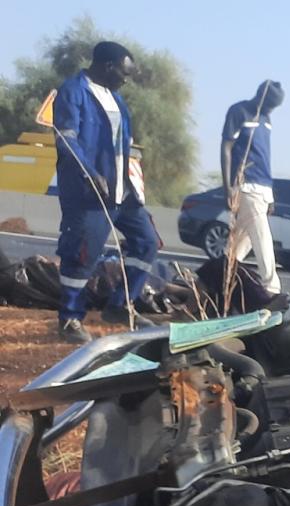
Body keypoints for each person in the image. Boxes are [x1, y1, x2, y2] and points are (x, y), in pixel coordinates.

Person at [50, 41, 160, 343]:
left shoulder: (116, 98)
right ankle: (70, 320)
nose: (126, 80)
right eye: (124, 74)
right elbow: (66, 138)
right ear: (108, 66)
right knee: (82, 254)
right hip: (89, 192)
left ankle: (120, 306)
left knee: (147, 242)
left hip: (123, 191)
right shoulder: (73, 91)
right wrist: (90, 172)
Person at [220, 80, 285, 294]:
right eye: (269, 105)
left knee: (241, 241)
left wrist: (271, 194)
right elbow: (226, 147)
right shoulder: (239, 112)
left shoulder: (267, 119)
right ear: (260, 96)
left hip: (263, 186)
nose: (271, 110)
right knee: (262, 237)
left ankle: (222, 276)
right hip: (246, 186)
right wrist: (228, 185)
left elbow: (264, 156)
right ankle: (272, 288)